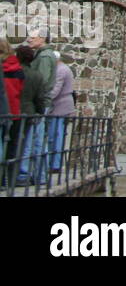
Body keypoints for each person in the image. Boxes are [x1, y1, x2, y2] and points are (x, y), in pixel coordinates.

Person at [17, 28, 57, 186]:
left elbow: (42, 83)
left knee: (35, 140)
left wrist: (37, 104)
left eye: (32, 37)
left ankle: (29, 175)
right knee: (37, 140)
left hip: (39, 103)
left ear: (42, 38)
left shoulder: (45, 57)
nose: (29, 40)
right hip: (41, 102)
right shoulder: (44, 55)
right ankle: (38, 175)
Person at [47, 54, 75, 173]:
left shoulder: (60, 70)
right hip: (62, 105)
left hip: (60, 106)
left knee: (56, 134)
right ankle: (55, 163)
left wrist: (44, 100)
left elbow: (55, 90)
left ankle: (55, 164)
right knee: (57, 134)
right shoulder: (63, 68)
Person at [0, 38, 20, 182]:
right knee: (9, 145)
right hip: (12, 111)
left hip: (6, 110)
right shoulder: (18, 68)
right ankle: (6, 178)